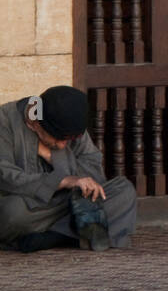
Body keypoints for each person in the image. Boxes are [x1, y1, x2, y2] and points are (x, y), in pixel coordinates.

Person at [0, 86, 136, 253]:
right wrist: (62, 181)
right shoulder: (5, 121)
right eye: (58, 139)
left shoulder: (68, 123)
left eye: (68, 140)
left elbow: (94, 170)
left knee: (124, 191)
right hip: (31, 206)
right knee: (11, 212)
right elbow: (5, 176)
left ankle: (53, 238)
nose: (63, 145)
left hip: (69, 203)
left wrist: (52, 155)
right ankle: (76, 233)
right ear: (35, 124)